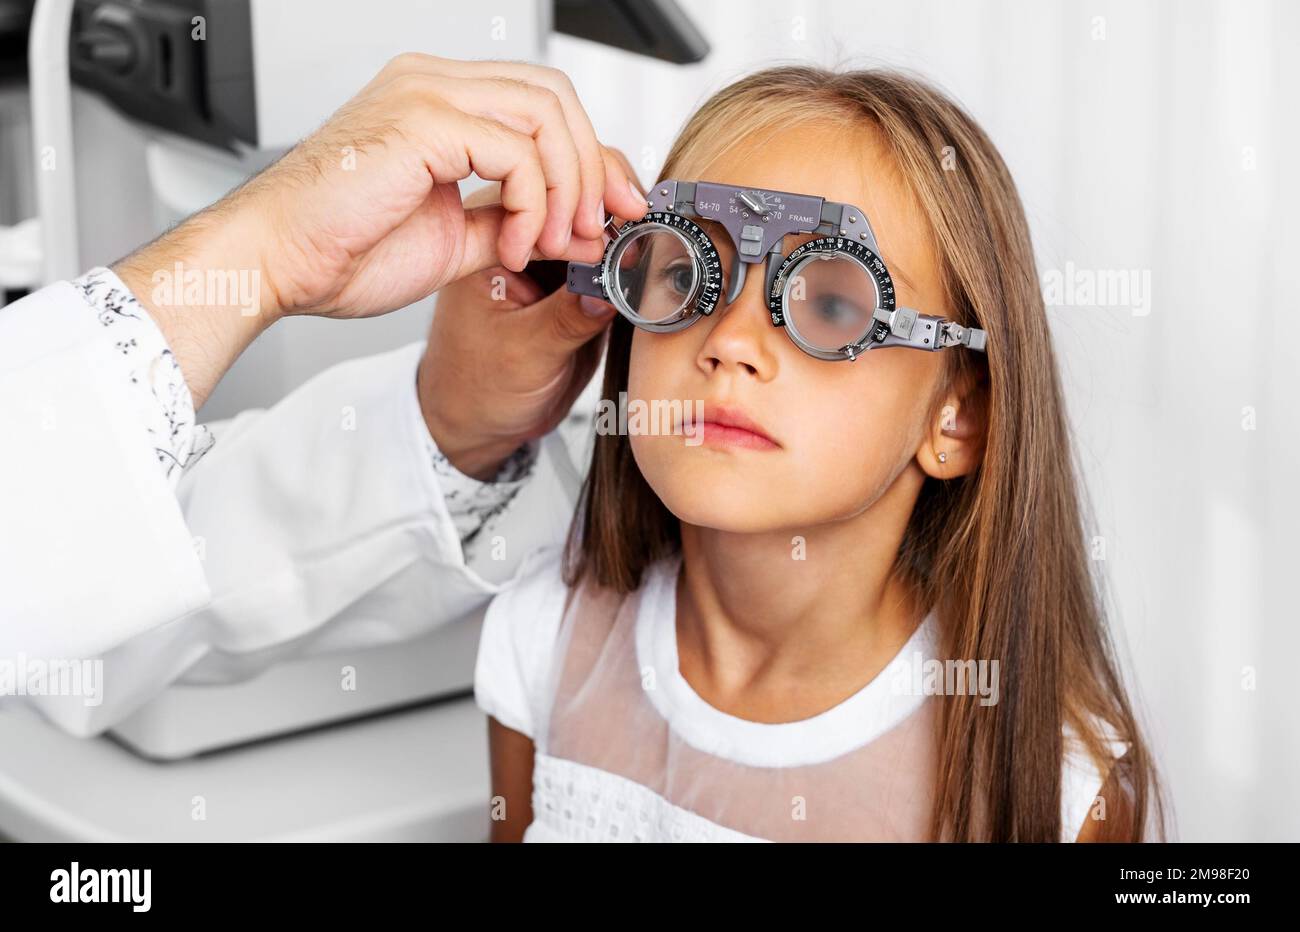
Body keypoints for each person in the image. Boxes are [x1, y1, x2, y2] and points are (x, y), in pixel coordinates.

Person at [469, 65, 1166, 842]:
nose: (730, 343)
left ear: (957, 417)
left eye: (831, 303)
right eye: (685, 271)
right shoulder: (544, 639)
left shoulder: (1063, 786)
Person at [0, 54, 646, 733]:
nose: (733, 351)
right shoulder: (548, 644)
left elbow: (92, 568)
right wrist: (263, 250)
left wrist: (451, 429)